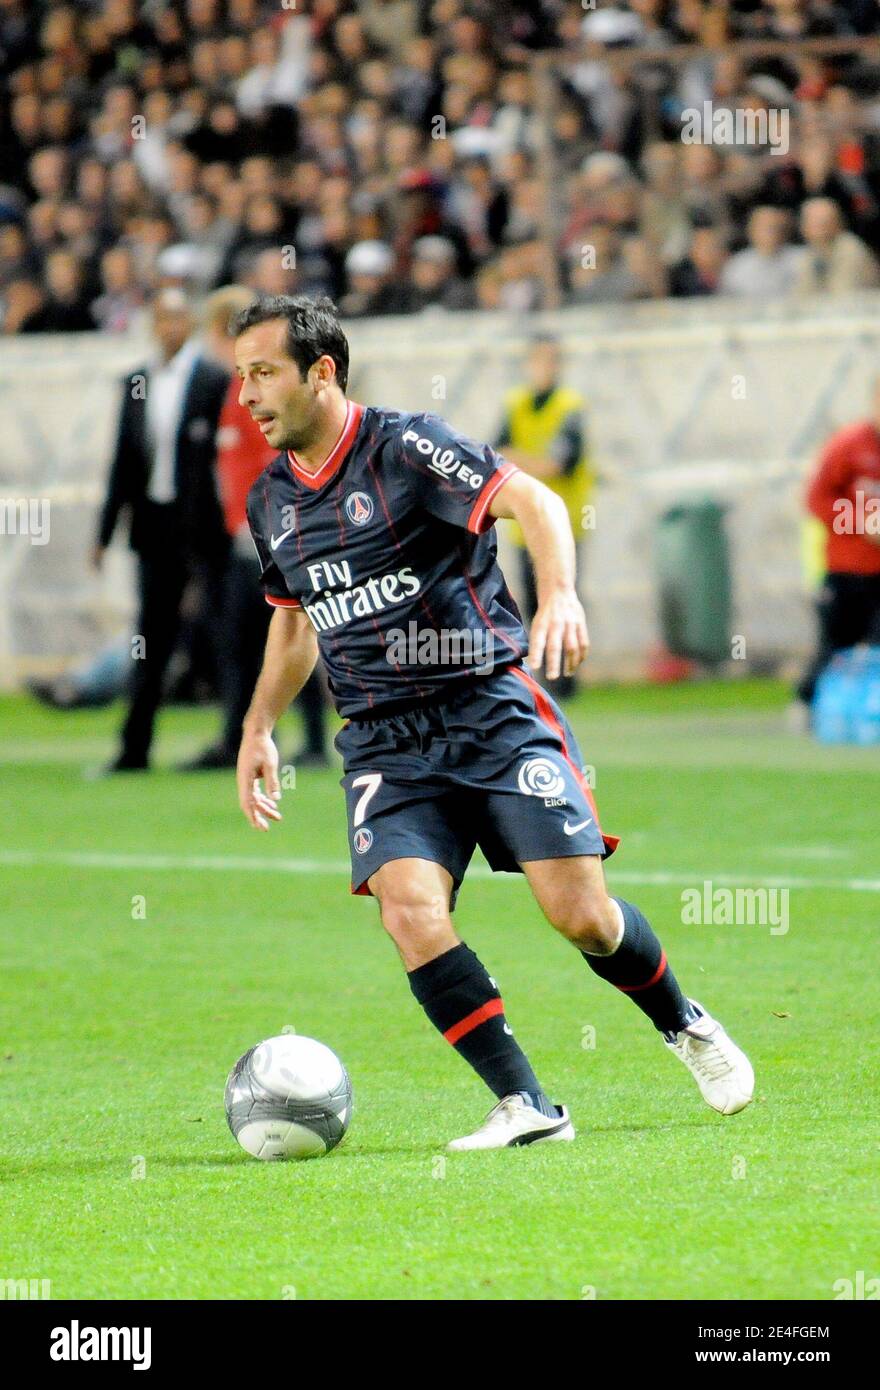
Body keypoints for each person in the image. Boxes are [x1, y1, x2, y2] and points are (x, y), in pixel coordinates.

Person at [232, 293, 754, 1151]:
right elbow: (293, 618)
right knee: (408, 910)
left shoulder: (408, 447)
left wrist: (560, 595)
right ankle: (528, 1106)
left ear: (321, 372)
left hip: (488, 710)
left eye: (263, 373)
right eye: (240, 376)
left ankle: (683, 1021)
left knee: (581, 915)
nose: (246, 396)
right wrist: (258, 727)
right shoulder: (271, 501)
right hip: (382, 739)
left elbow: (536, 502)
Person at [181, 284, 329, 770]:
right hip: (242, 537)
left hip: (266, 538)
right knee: (242, 642)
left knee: (289, 630)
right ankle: (252, 736)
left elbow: (278, 462)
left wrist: (269, 524)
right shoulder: (233, 392)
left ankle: (308, 739)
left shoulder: (263, 400)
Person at [94, 287, 229, 771]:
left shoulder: (215, 379)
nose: (169, 327)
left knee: (223, 633)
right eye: (161, 319)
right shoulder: (136, 381)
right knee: (150, 638)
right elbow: (123, 462)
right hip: (153, 524)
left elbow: (228, 458)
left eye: (177, 318)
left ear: (189, 323)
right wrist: (104, 531)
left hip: (206, 527)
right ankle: (134, 748)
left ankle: (238, 740)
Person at [494, 333, 594, 697]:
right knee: (532, 601)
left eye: (551, 361)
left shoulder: (569, 406)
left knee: (563, 596)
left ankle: (565, 678)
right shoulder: (516, 403)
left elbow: (560, 464)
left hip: (565, 523)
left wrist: (523, 462)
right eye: (539, 360)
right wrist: (533, 464)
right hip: (525, 526)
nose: (544, 368)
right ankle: (543, 672)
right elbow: (494, 454)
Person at [795, 376, 880, 714]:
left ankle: (866, 711)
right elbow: (816, 498)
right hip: (847, 568)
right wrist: (862, 525)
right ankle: (807, 704)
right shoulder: (849, 444)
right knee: (836, 646)